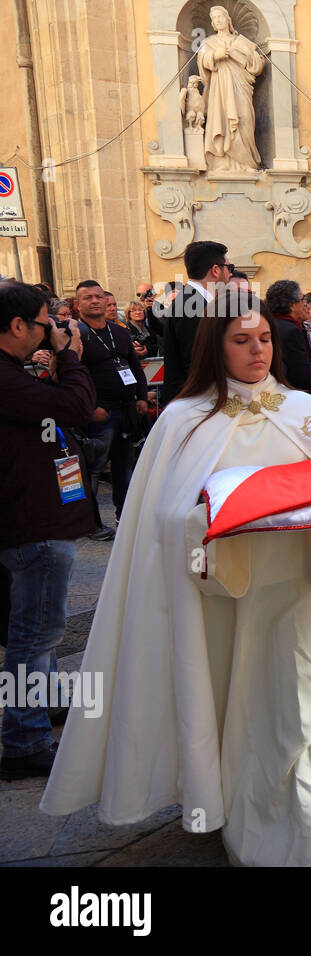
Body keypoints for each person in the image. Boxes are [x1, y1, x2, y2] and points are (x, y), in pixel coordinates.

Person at [41, 291, 311, 865]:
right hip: (219, 596)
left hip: (305, 585)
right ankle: (234, 803)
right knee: (225, 700)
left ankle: (308, 837)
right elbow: (160, 519)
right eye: (242, 340)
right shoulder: (183, 423)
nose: (257, 349)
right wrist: (214, 516)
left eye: (263, 338)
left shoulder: (306, 412)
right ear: (216, 347)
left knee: (303, 706)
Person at [0, 282, 95, 780]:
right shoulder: (6, 376)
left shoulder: (12, 371)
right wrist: (71, 357)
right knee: (33, 635)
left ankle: (46, 703)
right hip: (29, 523)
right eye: (44, 323)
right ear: (18, 326)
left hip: (30, 517)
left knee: (40, 629)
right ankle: (23, 740)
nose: (51, 331)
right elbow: (75, 407)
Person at [76, 280, 149, 537]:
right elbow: (73, 375)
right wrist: (90, 407)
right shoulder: (76, 334)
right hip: (99, 415)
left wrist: (141, 396)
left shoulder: (118, 332)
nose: (96, 301)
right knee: (93, 471)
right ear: (78, 304)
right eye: (89, 298)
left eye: (99, 297)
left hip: (127, 410)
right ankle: (91, 524)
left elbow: (135, 367)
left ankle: (125, 519)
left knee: (124, 467)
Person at [159, 240, 231, 406]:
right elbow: (197, 363)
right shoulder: (192, 305)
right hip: (197, 403)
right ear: (215, 270)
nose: (230, 274)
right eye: (229, 268)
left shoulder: (195, 301)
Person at [264, 279, 311, 394]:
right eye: (303, 299)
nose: (306, 304)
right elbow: (301, 376)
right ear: (292, 305)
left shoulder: (269, 323)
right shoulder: (291, 331)